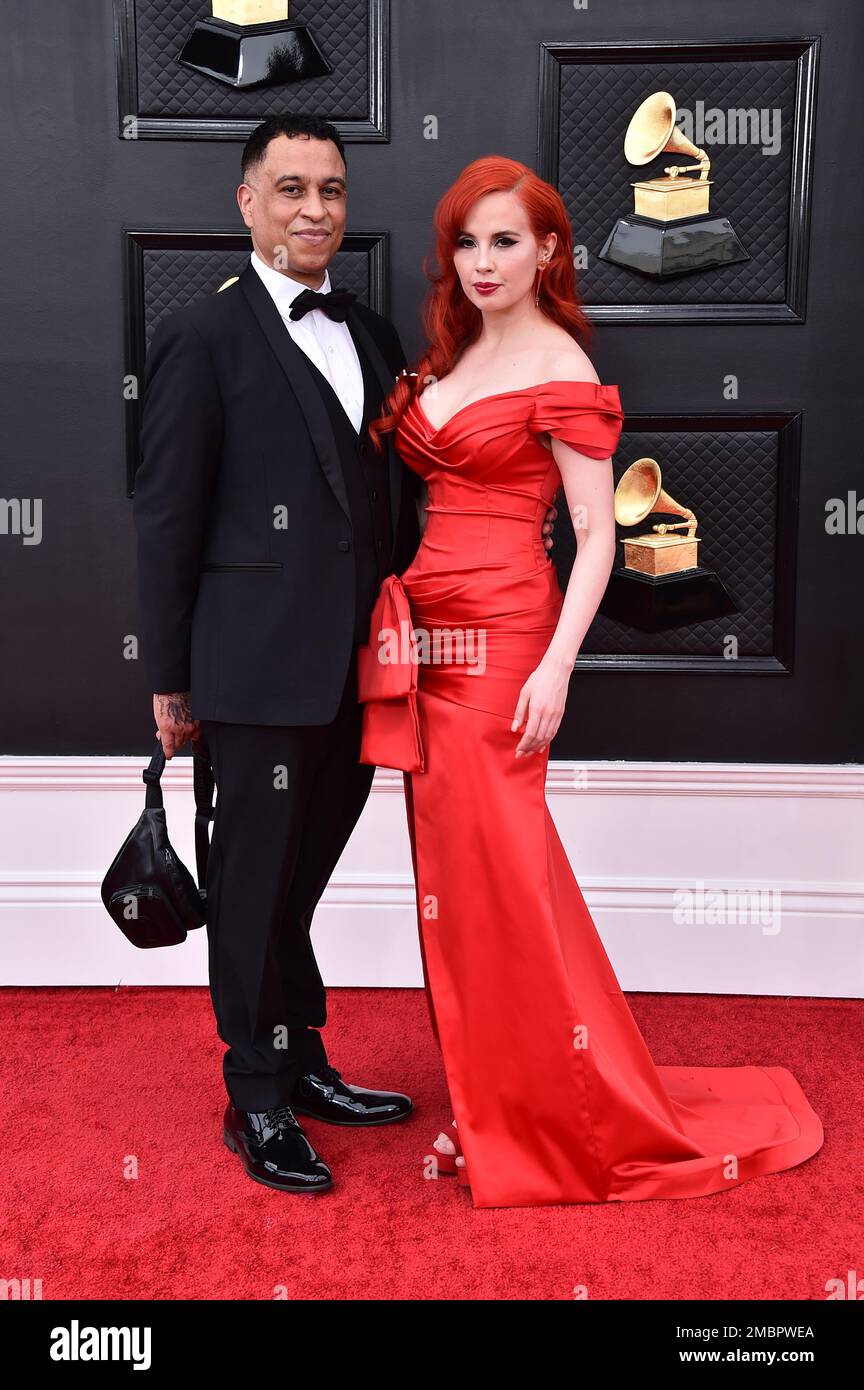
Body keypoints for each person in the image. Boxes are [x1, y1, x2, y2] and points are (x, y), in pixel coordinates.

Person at [361, 154, 824, 1208]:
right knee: (458, 882)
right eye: (468, 242)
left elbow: (595, 538)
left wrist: (560, 666)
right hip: (429, 636)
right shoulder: (449, 357)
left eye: (506, 241)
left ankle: (553, 1116)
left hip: (509, 639)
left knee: (505, 880)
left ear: (551, 252)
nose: (483, 261)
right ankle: (492, 1107)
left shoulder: (561, 363)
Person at [132, 115, 561, 1195]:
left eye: (329, 188)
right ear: (247, 203)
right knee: (250, 885)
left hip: (362, 680)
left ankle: (305, 1058)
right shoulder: (202, 339)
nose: (314, 208)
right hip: (252, 675)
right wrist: (169, 680)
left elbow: (401, 498)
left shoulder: (369, 335)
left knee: (298, 884)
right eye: (289, 189)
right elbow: (164, 519)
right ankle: (256, 1096)